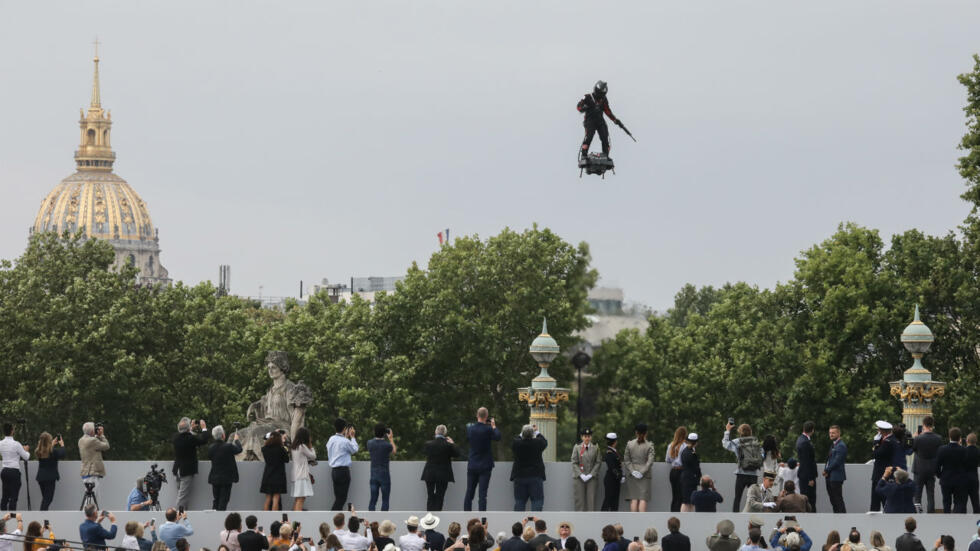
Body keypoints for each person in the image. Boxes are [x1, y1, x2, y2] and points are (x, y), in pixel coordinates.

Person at [463, 407, 501, 512]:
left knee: (469, 492)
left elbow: (467, 440)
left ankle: (466, 515)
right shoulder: (488, 429)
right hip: (485, 465)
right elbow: (498, 437)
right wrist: (493, 426)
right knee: (482, 494)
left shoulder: (470, 429)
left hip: (472, 464)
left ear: (477, 415)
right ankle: (482, 519)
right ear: (487, 416)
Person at [577, 81, 624, 162]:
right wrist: (583, 108)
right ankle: (584, 155)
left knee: (605, 137)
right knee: (589, 136)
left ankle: (605, 156)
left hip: (600, 121)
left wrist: (615, 120)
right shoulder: (588, 97)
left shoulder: (603, 100)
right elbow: (578, 106)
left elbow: (607, 111)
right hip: (590, 120)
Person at [723, 422, 763, 513]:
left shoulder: (738, 441)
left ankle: (736, 517)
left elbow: (725, 444)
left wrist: (727, 430)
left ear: (740, 432)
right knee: (753, 498)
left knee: (737, 497)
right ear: (750, 431)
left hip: (741, 473)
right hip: (753, 474)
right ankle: (753, 516)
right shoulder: (755, 442)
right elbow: (762, 454)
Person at [172, 417, 210, 511]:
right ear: (188, 429)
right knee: (182, 497)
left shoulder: (175, 437)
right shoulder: (190, 438)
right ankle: (174, 517)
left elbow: (185, 435)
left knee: (182, 495)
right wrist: (204, 427)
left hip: (177, 469)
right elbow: (203, 440)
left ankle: (184, 516)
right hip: (186, 471)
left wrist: (190, 428)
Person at [421, 424, 460, 512]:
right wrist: (453, 443)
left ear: (436, 432)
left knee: (430, 496)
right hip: (443, 474)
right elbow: (457, 454)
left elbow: (424, 452)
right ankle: (438, 516)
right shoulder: (448, 445)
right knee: (440, 496)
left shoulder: (428, 444)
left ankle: (429, 518)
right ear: (445, 433)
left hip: (430, 473)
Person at [511, 424, 548, 511]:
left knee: (519, 502)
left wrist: (523, 432)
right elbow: (544, 441)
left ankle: (519, 523)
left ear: (522, 434)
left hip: (519, 476)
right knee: (537, 502)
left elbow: (515, 440)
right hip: (535, 476)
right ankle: (536, 522)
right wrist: (537, 431)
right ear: (532, 434)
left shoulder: (517, 444)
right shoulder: (537, 443)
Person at [326, 418, 358, 511]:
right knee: (342, 499)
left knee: (338, 497)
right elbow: (354, 449)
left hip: (334, 471)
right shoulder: (345, 441)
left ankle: (336, 518)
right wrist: (352, 437)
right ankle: (333, 517)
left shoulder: (331, 439)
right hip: (343, 471)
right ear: (344, 428)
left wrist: (346, 438)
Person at [207, 425, 242, 511]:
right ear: (223, 435)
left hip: (214, 477)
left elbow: (210, 457)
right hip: (226, 478)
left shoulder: (211, 448)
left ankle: (214, 517)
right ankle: (220, 519)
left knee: (216, 499)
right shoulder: (228, 446)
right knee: (224, 500)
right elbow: (239, 450)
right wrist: (236, 440)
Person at [624, 423, 655, 512]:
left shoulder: (629, 444)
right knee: (643, 499)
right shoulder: (650, 445)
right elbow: (650, 461)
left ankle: (633, 522)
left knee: (634, 499)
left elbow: (626, 460)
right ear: (646, 433)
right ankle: (642, 522)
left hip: (632, 475)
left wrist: (633, 471)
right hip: (645, 475)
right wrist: (642, 472)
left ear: (636, 432)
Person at [936, 426, 968, 513]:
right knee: (958, 503)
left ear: (949, 436)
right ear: (959, 438)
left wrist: (940, 475)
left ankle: (947, 522)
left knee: (946, 503)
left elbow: (937, 465)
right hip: (960, 480)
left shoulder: (942, 449)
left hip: (946, 479)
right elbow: (967, 466)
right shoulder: (964, 450)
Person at [367, 423, 396, 511]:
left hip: (373, 474)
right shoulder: (386, 445)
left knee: (373, 499)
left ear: (374, 432)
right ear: (384, 433)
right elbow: (394, 451)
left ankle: (371, 520)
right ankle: (383, 521)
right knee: (385, 500)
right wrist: (391, 439)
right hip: (384, 474)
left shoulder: (369, 443)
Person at [871, 420, 898, 512]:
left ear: (882, 431)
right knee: (876, 500)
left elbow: (876, 454)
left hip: (883, 475)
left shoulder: (888, 442)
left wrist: (875, 443)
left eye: (879, 430)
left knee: (881, 500)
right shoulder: (887, 440)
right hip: (881, 474)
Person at [0, 424, 29, 511]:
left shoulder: (0, 443)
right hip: (14, 471)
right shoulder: (16, 444)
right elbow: (26, 457)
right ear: (12, 431)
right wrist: (26, 450)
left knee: (5, 496)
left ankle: (2, 518)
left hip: (4, 471)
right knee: (13, 497)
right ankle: (12, 517)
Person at [570, 428, 600, 511]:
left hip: (592, 478)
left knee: (591, 500)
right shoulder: (577, 447)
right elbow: (574, 462)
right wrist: (581, 474)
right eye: (585, 436)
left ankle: (591, 519)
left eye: (589, 436)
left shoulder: (596, 448)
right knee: (579, 501)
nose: (587, 438)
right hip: (579, 477)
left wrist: (591, 474)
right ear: (582, 437)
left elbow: (598, 462)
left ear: (591, 437)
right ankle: (579, 520)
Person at [34, 432, 66, 511]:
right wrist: (62, 445)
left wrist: (52, 444)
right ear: (49, 441)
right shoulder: (53, 452)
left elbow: (47, 450)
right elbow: (62, 454)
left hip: (41, 477)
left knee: (45, 498)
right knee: (48, 499)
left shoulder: (39, 451)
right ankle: (42, 515)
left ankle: (44, 515)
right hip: (50, 478)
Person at [78, 421, 109, 501]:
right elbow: (106, 446)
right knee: (92, 498)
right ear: (92, 431)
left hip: (86, 472)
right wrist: (101, 435)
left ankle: (89, 512)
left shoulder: (81, 440)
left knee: (89, 497)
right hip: (92, 472)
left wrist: (96, 435)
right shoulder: (92, 441)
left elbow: (92, 442)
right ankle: (90, 513)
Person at [260, 431, 290, 510]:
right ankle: (274, 517)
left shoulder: (264, 449)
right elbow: (286, 460)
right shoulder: (281, 449)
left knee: (268, 498)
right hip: (278, 476)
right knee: (276, 498)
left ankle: (265, 517)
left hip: (267, 475)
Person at [290, 427, 316, 511]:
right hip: (302, 475)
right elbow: (313, 456)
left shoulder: (294, 447)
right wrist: (311, 446)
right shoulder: (302, 446)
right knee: (301, 498)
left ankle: (294, 519)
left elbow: (301, 458)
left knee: (297, 499)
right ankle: (297, 520)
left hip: (296, 475)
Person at [823, 425, 848, 513]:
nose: (831, 435)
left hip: (836, 477)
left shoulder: (841, 445)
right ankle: (836, 518)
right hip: (830, 476)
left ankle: (842, 518)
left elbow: (837, 461)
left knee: (837, 500)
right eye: (830, 433)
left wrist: (826, 470)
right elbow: (830, 460)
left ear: (838, 433)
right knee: (833, 500)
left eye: (833, 433)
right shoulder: (833, 445)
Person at [665, 427, 688, 512]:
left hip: (673, 471)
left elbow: (667, 460)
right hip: (682, 471)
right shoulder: (686, 446)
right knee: (682, 496)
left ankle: (673, 514)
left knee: (675, 495)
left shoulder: (671, 445)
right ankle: (680, 515)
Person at [795, 421, 817, 510]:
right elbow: (807, 461)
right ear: (812, 430)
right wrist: (810, 478)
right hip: (807, 476)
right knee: (810, 500)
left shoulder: (800, 439)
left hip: (803, 474)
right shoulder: (805, 442)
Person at [600, 433, 623, 511]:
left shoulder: (613, 451)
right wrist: (619, 476)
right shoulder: (609, 453)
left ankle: (614, 518)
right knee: (608, 500)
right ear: (615, 442)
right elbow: (612, 468)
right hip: (611, 479)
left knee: (615, 501)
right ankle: (603, 518)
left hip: (615, 479)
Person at [679, 433, 701, 512]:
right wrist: (699, 477)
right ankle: (684, 519)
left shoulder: (685, 451)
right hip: (690, 479)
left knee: (689, 501)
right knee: (686, 501)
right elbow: (696, 467)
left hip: (686, 478)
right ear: (696, 442)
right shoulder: (691, 453)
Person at [964, 432, 979, 513]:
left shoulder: (963, 451)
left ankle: (963, 521)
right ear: (975, 441)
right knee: (975, 502)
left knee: (963, 502)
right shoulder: (978, 451)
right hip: (974, 478)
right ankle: (978, 522)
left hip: (964, 479)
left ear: (967, 441)